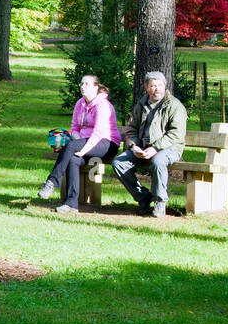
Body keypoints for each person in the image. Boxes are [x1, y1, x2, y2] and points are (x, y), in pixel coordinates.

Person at [39, 74, 122, 213]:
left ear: (96, 87)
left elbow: (97, 134)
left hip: (106, 143)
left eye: (87, 84)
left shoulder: (103, 105)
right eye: (81, 83)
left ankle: (52, 182)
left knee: (71, 147)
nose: (83, 87)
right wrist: (78, 141)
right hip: (84, 142)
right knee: (73, 159)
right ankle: (71, 203)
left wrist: (82, 150)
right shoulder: (80, 103)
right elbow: (74, 127)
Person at [111, 70, 187, 218]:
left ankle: (160, 201)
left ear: (165, 86)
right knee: (118, 163)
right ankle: (144, 198)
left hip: (169, 148)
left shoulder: (174, 106)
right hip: (143, 149)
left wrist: (155, 148)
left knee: (158, 161)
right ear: (146, 87)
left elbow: (176, 134)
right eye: (152, 86)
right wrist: (134, 147)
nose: (156, 89)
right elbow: (131, 129)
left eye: (159, 85)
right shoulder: (141, 105)